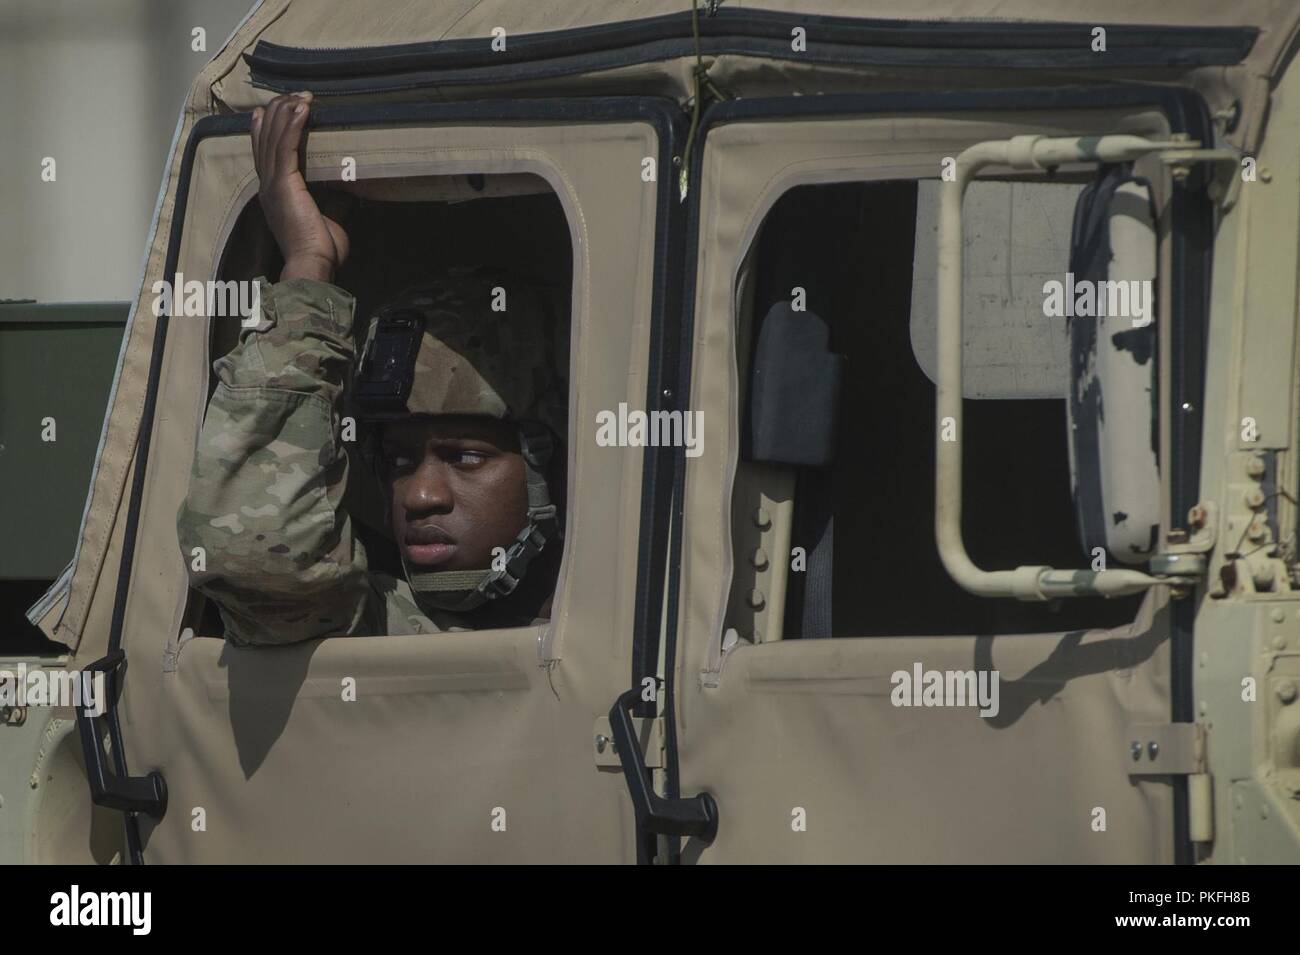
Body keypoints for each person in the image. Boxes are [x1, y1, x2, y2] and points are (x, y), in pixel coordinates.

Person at [177, 93, 566, 645]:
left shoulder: (628, 625)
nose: (420, 495)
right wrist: (309, 262)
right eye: (399, 458)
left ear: (548, 467)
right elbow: (258, 556)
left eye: (465, 456)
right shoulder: (379, 625)